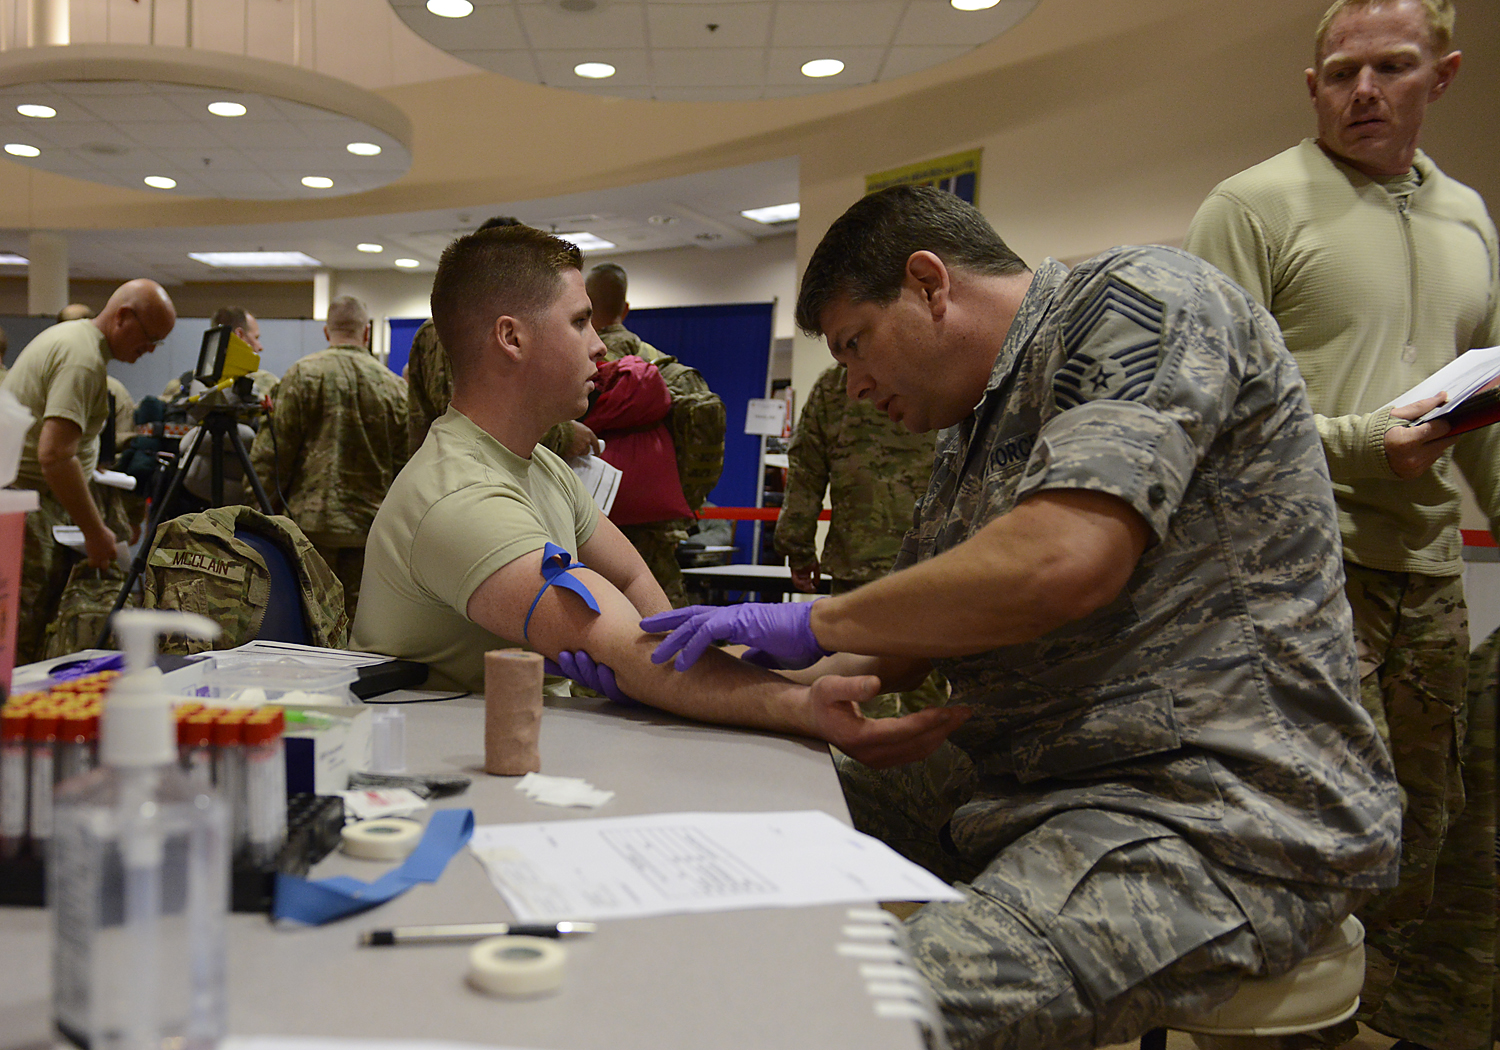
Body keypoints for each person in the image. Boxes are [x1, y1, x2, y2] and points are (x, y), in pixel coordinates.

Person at [638, 185, 1400, 1050]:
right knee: (740, 809)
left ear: (930, 284)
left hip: (1209, 808)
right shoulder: (971, 426)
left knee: (840, 1016)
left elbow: (1061, 562)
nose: (852, 387)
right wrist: (714, 673)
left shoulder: (1140, 297)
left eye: (855, 345)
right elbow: (897, 652)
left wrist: (820, 622)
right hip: (1030, 778)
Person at [351, 224, 965, 775]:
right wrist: (801, 705)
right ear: (511, 337)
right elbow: (626, 648)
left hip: (514, 758)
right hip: (434, 784)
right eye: (579, 322)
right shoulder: (461, 495)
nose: (600, 346)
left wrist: (839, 666)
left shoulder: (539, 465)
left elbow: (646, 613)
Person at [1183, 3, 1498, 1046]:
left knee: (1419, 827)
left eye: (1393, 67)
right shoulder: (1254, 205)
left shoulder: (1468, 217)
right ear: (1312, 83)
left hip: (1427, 570)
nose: (1365, 90)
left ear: (1441, 76)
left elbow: (1485, 411)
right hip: (1295, 568)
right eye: (1341, 71)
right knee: (1308, 836)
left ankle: (1362, 1025)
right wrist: (1363, 443)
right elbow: (1205, 411)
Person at [1, 278, 175, 664]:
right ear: (123, 317)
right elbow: (55, 456)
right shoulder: (82, 359)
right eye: (149, 338)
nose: (150, 350)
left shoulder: (77, 342)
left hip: (30, 499)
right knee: (23, 636)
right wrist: (95, 532)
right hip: (28, 503)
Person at [774, 362, 945, 716]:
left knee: (859, 680)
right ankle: (929, 747)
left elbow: (806, 468)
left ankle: (868, 750)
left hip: (858, 556)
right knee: (925, 679)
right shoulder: (934, 372)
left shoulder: (837, 384)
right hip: (933, 559)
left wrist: (797, 547)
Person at [247, 295, 407, 619]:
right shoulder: (395, 388)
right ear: (366, 332)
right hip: (369, 534)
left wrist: (256, 519)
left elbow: (272, 457)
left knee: (307, 623)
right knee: (358, 626)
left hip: (308, 532)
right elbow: (406, 467)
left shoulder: (301, 375)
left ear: (326, 331)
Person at [585, 262, 726, 607]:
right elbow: (703, 442)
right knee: (663, 631)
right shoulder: (668, 370)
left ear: (586, 306)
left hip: (587, 544)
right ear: (625, 309)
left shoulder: (578, 367)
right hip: (658, 547)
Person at [405, 216, 597, 462]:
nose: (598, 347)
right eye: (578, 322)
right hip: (467, 459)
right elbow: (474, 411)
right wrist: (564, 435)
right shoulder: (443, 332)